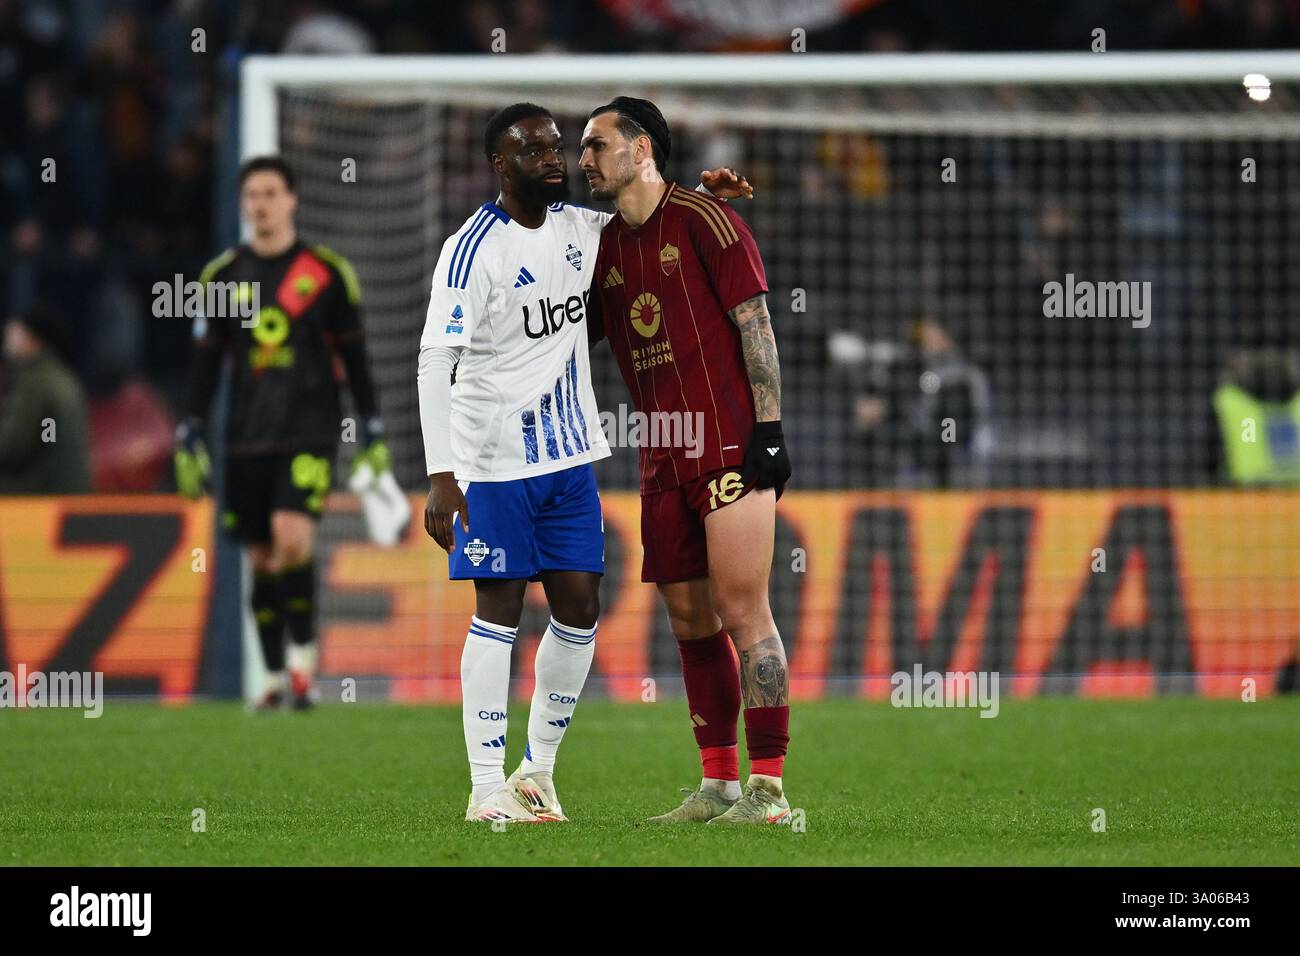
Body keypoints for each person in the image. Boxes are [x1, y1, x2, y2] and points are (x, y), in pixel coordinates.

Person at [419, 102, 751, 824]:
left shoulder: (582, 228)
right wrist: (442, 472)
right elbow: (434, 357)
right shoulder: (472, 249)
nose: (553, 157)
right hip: (493, 462)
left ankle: (536, 774)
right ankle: (484, 788)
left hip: (569, 461)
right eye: (532, 149)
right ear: (499, 165)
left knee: (579, 608)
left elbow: (649, 213)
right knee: (498, 609)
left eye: (556, 145)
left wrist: (700, 198)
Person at [580, 97, 794, 825]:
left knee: (743, 609)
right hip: (661, 456)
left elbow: (755, 324)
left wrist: (770, 430)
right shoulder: (603, 249)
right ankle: (718, 786)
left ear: (642, 150)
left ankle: (768, 790)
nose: (585, 159)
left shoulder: (706, 218)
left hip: (731, 442)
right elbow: (576, 345)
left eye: (597, 144)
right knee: (689, 621)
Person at [176, 156, 388, 711]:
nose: (261, 204)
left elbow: (356, 358)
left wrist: (372, 426)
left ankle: (303, 666)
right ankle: (271, 677)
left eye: (271, 192)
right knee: (263, 558)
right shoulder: (220, 277)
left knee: (293, 536)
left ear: (292, 199)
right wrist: (191, 427)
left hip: (310, 429)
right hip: (244, 436)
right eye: (252, 195)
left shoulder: (325, 272)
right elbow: (205, 364)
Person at [0, 306, 91, 494]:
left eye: (18, 331)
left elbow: (13, 445)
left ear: (35, 340)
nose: (9, 336)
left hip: (40, 492)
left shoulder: (34, 381)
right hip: (70, 491)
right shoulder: (63, 376)